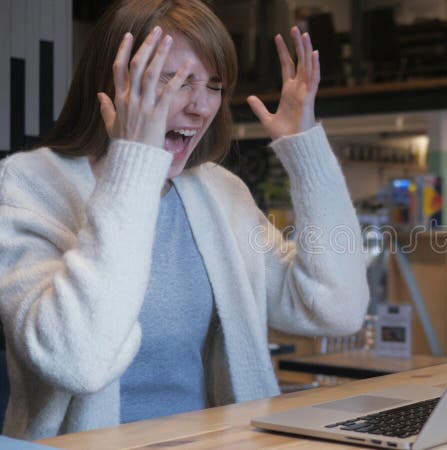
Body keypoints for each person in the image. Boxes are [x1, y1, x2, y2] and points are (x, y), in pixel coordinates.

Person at [0, 0, 368, 440]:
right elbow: (78, 360)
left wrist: (304, 150)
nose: (200, 106)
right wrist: (134, 163)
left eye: (213, 85)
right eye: (175, 81)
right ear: (113, 82)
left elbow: (336, 311)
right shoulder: (28, 183)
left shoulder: (220, 193)